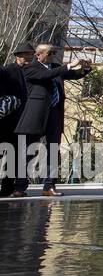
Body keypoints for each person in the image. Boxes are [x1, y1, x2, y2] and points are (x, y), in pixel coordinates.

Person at [12, 44, 92, 197]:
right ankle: (19, 187)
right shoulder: (30, 68)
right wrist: (68, 65)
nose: (53, 55)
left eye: (55, 52)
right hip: (36, 115)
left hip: (55, 114)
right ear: (38, 54)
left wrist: (85, 68)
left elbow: (73, 74)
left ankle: (49, 186)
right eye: (50, 53)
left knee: (53, 151)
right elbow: (45, 75)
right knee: (28, 152)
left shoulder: (55, 67)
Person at [0, 44, 31, 198]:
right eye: (27, 54)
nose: (30, 57)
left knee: (13, 155)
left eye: (31, 54)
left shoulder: (28, 72)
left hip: (20, 120)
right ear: (19, 56)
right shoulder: (9, 71)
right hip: (7, 120)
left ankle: (7, 187)